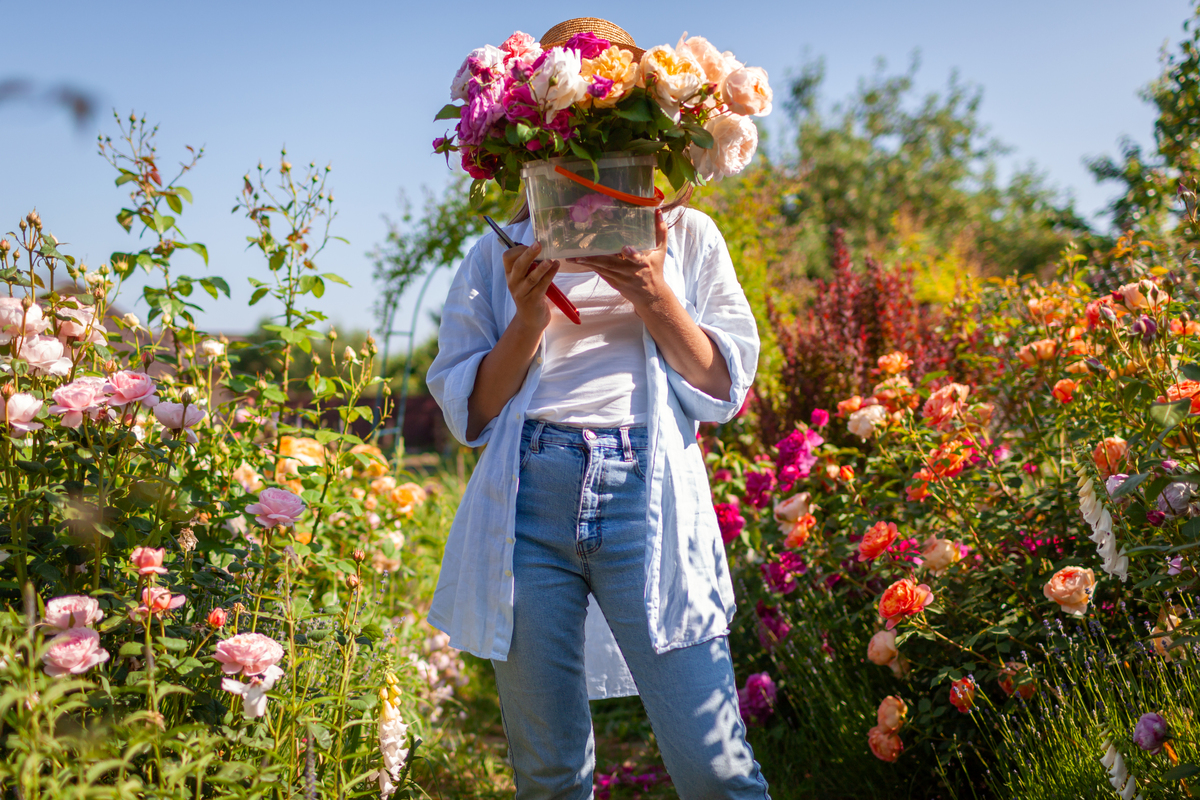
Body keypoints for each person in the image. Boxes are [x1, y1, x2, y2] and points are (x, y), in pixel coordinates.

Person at [427, 19, 768, 800]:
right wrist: (527, 319)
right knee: (550, 776)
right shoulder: (499, 248)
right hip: (530, 501)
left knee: (716, 768)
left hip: (647, 496)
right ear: (535, 142)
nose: (585, 157)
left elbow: (723, 388)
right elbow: (472, 415)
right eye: (568, 138)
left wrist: (652, 289)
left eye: (605, 135)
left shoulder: (687, 237)